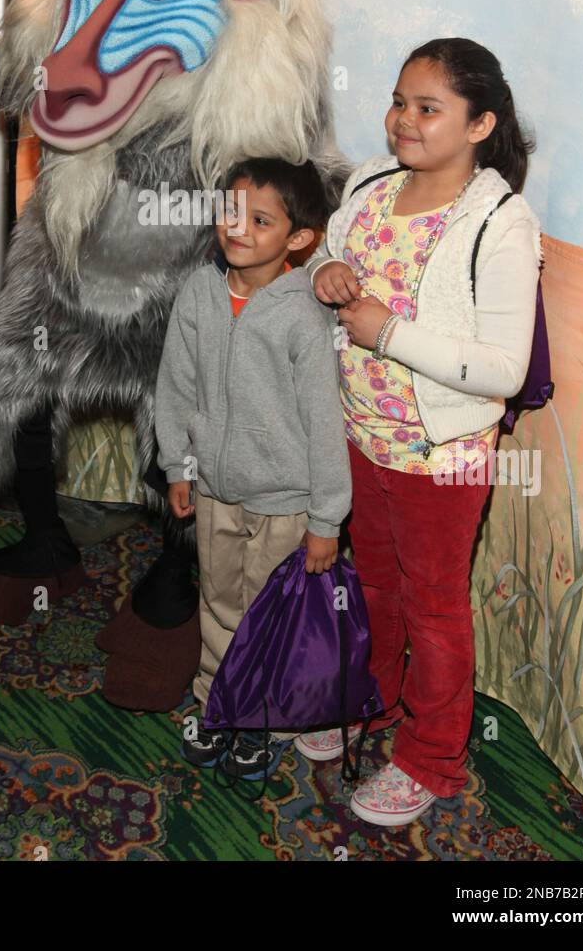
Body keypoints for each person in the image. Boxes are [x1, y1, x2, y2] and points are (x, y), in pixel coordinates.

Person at [298, 37, 541, 827]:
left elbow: (502, 369)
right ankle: (373, 703)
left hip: (442, 454)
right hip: (361, 434)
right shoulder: (370, 185)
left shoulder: (498, 221)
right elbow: (326, 261)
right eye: (399, 101)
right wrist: (323, 274)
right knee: (373, 583)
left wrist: (387, 333)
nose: (403, 119)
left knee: (433, 603)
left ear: (478, 126)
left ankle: (431, 759)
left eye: (427, 108)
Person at [155, 157, 353, 783]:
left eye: (260, 220)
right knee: (217, 599)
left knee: (271, 613)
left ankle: (265, 716)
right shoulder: (198, 291)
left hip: (287, 502)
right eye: (232, 212)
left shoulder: (301, 313)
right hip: (214, 490)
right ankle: (219, 701)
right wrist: (177, 465)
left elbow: (325, 422)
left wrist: (327, 517)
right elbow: (175, 386)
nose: (238, 228)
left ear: (299, 239)